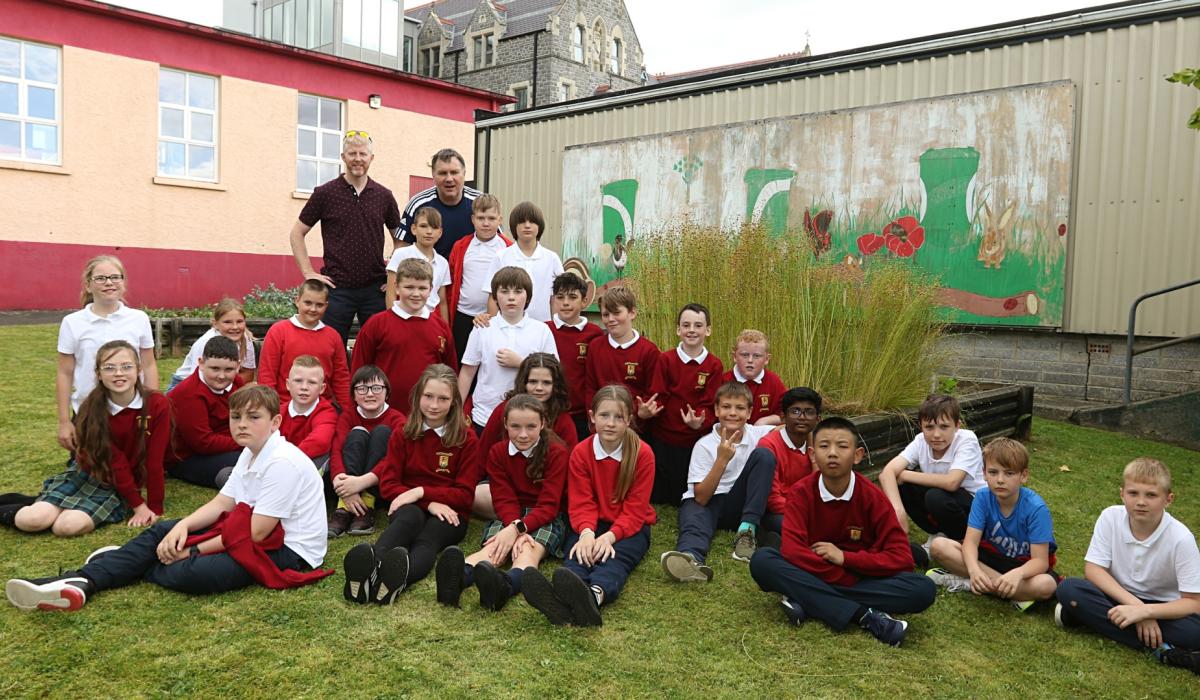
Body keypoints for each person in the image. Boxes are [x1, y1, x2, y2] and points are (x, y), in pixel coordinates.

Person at [5, 385, 332, 612]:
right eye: (236, 417)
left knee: (190, 573)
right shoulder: (251, 452)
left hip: (290, 550)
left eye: (253, 417)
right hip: (249, 530)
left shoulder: (282, 462)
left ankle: (129, 563)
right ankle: (79, 582)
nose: (242, 424)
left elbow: (257, 534)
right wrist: (183, 527)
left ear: (275, 422)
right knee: (162, 533)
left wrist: (191, 549)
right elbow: (222, 504)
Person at [749, 417, 937, 646]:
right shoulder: (801, 492)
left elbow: (902, 557)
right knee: (762, 561)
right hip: (832, 573)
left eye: (842, 446)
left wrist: (846, 558)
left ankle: (805, 599)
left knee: (923, 589)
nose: (832, 453)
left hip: (840, 574)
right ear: (812, 454)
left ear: (857, 455)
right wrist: (846, 577)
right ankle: (865, 616)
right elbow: (792, 551)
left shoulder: (872, 496)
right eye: (824, 446)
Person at [341, 365, 481, 605]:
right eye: (428, 396)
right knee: (406, 522)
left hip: (450, 513)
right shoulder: (403, 433)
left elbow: (465, 495)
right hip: (410, 505)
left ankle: (396, 581)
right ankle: (367, 572)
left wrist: (420, 492)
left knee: (428, 539)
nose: (434, 405)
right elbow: (389, 484)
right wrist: (428, 502)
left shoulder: (465, 438)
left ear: (454, 402)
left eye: (443, 398)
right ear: (418, 397)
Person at [0, 341, 170, 535]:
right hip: (91, 473)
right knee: (33, 520)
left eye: (126, 366)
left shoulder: (157, 403)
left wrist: (154, 508)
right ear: (98, 374)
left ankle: (47, 503)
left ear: (139, 369)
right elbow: (115, 462)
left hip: (119, 486)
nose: (119, 373)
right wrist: (138, 506)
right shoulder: (91, 408)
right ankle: (34, 505)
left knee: (66, 527)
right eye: (109, 368)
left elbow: (155, 460)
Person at [521, 385, 656, 627]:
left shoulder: (642, 454)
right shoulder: (582, 452)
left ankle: (593, 598)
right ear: (592, 417)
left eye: (618, 417)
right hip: (590, 523)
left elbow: (635, 510)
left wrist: (610, 538)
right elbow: (582, 501)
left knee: (613, 560)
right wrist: (586, 533)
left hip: (630, 527)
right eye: (604, 415)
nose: (611, 423)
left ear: (629, 420)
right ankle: (563, 600)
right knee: (578, 556)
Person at [1055, 458, 1200, 674]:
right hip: (1118, 596)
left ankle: (1083, 617)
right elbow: (1094, 570)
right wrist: (1137, 609)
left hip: (1163, 608)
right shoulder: (1110, 517)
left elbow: (1193, 603)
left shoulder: (1181, 539)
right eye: (1133, 493)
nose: (1141, 501)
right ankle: (1160, 648)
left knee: (1196, 633)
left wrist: (1146, 612)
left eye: (1151, 495)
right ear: (1122, 493)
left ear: (1168, 499)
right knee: (1069, 589)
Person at [435, 394, 568, 611]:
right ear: (505, 424)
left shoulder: (556, 452)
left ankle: (503, 587)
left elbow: (549, 505)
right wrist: (511, 526)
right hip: (510, 514)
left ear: (542, 424)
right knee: (494, 550)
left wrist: (517, 530)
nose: (523, 434)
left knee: (526, 551)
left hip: (544, 516)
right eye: (515, 426)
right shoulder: (497, 452)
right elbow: (504, 498)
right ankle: (458, 579)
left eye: (531, 426)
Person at [288, 130, 401, 344]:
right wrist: (308, 272)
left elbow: (400, 241)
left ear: (371, 158)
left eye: (363, 154)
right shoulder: (325, 193)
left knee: (378, 347)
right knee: (330, 347)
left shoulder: (384, 196)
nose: (357, 159)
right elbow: (297, 233)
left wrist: (393, 277)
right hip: (336, 288)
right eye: (352, 154)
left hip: (374, 288)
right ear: (343, 157)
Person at [660, 381, 777, 580]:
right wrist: (722, 459)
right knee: (695, 514)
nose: (732, 413)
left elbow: (794, 429)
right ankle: (690, 559)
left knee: (764, 456)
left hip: (742, 505)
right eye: (726, 407)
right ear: (716, 410)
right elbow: (701, 498)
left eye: (740, 408)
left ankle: (746, 533)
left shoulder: (760, 434)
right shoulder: (704, 445)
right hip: (709, 500)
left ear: (750, 413)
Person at [925, 438, 1059, 611]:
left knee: (1046, 585)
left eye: (1009, 473)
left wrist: (1017, 574)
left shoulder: (1036, 508)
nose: (1000, 480)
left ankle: (974, 583)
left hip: (1021, 565)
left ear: (1023, 475)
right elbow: (970, 543)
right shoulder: (982, 497)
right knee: (939, 546)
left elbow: (1040, 562)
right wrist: (974, 570)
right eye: (993, 472)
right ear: (984, 473)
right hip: (990, 556)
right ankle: (1012, 594)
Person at [57, 255, 158, 452]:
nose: (109, 283)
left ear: (123, 282)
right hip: (89, 411)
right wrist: (64, 422)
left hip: (131, 408)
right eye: (100, 278)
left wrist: (152, 407)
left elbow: (148, 364)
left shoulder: (139, 319)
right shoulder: (72, 322)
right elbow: (65, 373)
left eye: (115, 277)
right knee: (92, 474)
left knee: (131, 470)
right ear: (88, 285)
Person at [878, 393, 985, 568]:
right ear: (921, 426)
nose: (936, 434)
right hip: (946, 503)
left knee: (934, 495)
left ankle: (962, 541)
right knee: (902, 486)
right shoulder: (921, 441)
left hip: (977, 509)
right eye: (929, 427)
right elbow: (886, 473)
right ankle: (939, 535)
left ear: (957, 426)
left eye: (944, 427)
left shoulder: (967, 439)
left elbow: (952, 482)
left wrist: (904, 474)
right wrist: (898, 510)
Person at [474, 353, 578, 518]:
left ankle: (535, 516)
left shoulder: (563, 421)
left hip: (544, 492)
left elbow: (570, 470)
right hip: (506, 489)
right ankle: (517, 515)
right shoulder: (504, 410)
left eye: (546, 383)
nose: (539, 388)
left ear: (555, 385)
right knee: (477, 495)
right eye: (533, 381)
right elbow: (482, 454)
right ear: (524, 382)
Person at [640, 303, 724, 505]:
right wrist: (647, 410)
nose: (692, 330)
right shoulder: (666, 359)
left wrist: (699, 421)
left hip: (695, 439)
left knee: (685, 492)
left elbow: (711, 403)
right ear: (678, 329)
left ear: (708, 330)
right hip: (664, 436)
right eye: (686, 325)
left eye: (698, 325)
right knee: (661, 494)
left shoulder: (714, 365)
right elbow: (658, 394)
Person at [457, 267, 558, 433]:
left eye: (518, 291)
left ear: (528, 297)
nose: (511, 297)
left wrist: (521, 363)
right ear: (495, 297)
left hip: (528, 420)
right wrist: (457, 409)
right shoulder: (482, 328)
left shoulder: (541, 330)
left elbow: (553, 373)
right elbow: (467, 373)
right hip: (485, 416)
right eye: (504, 291)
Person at [351, 258, 458, 412]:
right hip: (384, 414)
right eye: (409, 287)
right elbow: (358, 370)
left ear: (431, 289)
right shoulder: (376, 324)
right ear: (397, 287)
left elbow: (450, 373)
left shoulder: (441, 327)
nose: (416, 294)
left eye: (422, 288)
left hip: (427, 415)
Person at [327, 366, 407, 537]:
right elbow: (337, 450)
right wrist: (341, 485)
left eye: (376, 388)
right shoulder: (348, 416)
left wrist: (363, 482)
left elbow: (394, 459)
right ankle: (344, 507)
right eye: (362, 389)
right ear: (354, 395)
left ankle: (367, 505)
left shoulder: (397, 419)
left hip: (378, 483)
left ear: (387, 392)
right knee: (357, 433)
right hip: (348, 482)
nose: (369, 394)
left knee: (381, 433)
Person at [257, 279, 351, 408]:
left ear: (326, 306)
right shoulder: (278, 331)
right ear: (297, 301)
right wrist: (270, 410)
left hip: (322, 408)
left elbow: (341, 379)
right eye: (308, 303)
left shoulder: (333, 336)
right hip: (284, 407)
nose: (313, 309)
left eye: (319, 305)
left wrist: (348, 412)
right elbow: (267, 375)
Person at [168, 336, 245, 489]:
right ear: (201, 363)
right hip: (186, 457)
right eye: (215, 369)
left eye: (229, 369)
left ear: (238, 366)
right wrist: (245, 442)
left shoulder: (237, 383)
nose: (222, 376)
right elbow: (203, 442)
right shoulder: (189, 394)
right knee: (245, 460)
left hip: (227, 444)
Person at [446, 193, 512, 362]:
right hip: (463, 316)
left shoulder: (508, 248)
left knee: (489, 363)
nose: (486, 223)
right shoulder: (461, 246)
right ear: (472, 219)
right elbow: (451, 282)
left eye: (491, 218)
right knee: (461, 363)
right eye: (481, 218)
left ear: (500, 220)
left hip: (494, 318)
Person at [481, 201, 564, 323]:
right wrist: (494, 327)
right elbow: (492, 297)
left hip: (542, 327)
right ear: (514, 226)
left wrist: (556, 327)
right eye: (522, 222)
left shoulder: (552, 258)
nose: (527, 225)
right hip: (507, 327)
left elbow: (556, 298)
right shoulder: (501, 257)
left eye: (532, 221)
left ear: (540, 226)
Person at [582, 286, 659, 414]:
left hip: (636, 426)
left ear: (632, 313)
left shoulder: (649, 351)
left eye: (617, 313)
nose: (611, 319)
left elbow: (652, 394)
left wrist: (639, 412)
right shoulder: (595, 347)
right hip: (603, 424)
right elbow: (591, 390)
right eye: (606, 314)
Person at [398, 148, 484, 259]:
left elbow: (498, 242)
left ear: (464, 174)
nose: (449, 178)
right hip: (428, 274)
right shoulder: (417, 204)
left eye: (454, 172)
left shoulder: (480, 203)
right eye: (443, 173)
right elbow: (401, 247)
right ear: (433, 175)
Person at [546, 272, 603, 439]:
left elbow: (595, 376)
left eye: (572, 297)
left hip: (582, 415)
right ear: (553, 300)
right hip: (550, 412)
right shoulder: (544, 330)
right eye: (560, 297)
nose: (565, 303)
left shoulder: (595, 334)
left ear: (584, 301)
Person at [760, 387, 821, 539]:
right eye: (795, 411)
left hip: (808, 509)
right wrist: (805, 512)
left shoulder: (819, 445)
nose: (802, 417)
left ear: (818, 418)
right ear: (783, 417)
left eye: (809, 412)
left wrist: (815, 461)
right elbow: (772, 501)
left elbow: (822, 489)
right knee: (804, 529)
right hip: (777, 512)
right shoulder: (769, 445)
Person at [167, 298, 256, 392]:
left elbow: (248, 373)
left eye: (239, 321)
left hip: (221, 382)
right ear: (215, 324)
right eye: (227, 322)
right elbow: (197, 380)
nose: (235, 327)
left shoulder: (245, 338)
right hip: (186, 386)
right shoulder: (206, 342)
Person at [385, 207, 451, 322]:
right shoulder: (401, 254)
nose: (429, 231)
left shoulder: (443, 263)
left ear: (440, 233)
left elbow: (443, 301)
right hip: (404, 316)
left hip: (431, 319)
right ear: (414, 229)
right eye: (423, 226)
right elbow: (391, 293)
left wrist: (445, 329)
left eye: (434, 227)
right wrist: (393, 322)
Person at [278, 355, 337, 475]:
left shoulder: (327, 412)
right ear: (288, 385)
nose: (304, 387)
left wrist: (285, 463)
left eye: (312, 382)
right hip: (276, 468)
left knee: (322, 456)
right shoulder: (278, 412)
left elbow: (319, 442)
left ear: (322, 388)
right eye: (298, 381)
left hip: (305, 472)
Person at [718, 329, 785, 426]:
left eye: (757, 356)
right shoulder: (723, 380)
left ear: (767, 359)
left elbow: (787, 413)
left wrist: (765, 421)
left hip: (762, 437)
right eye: (744, 355)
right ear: (734, 357)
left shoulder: (774, 381)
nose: (750, 360)